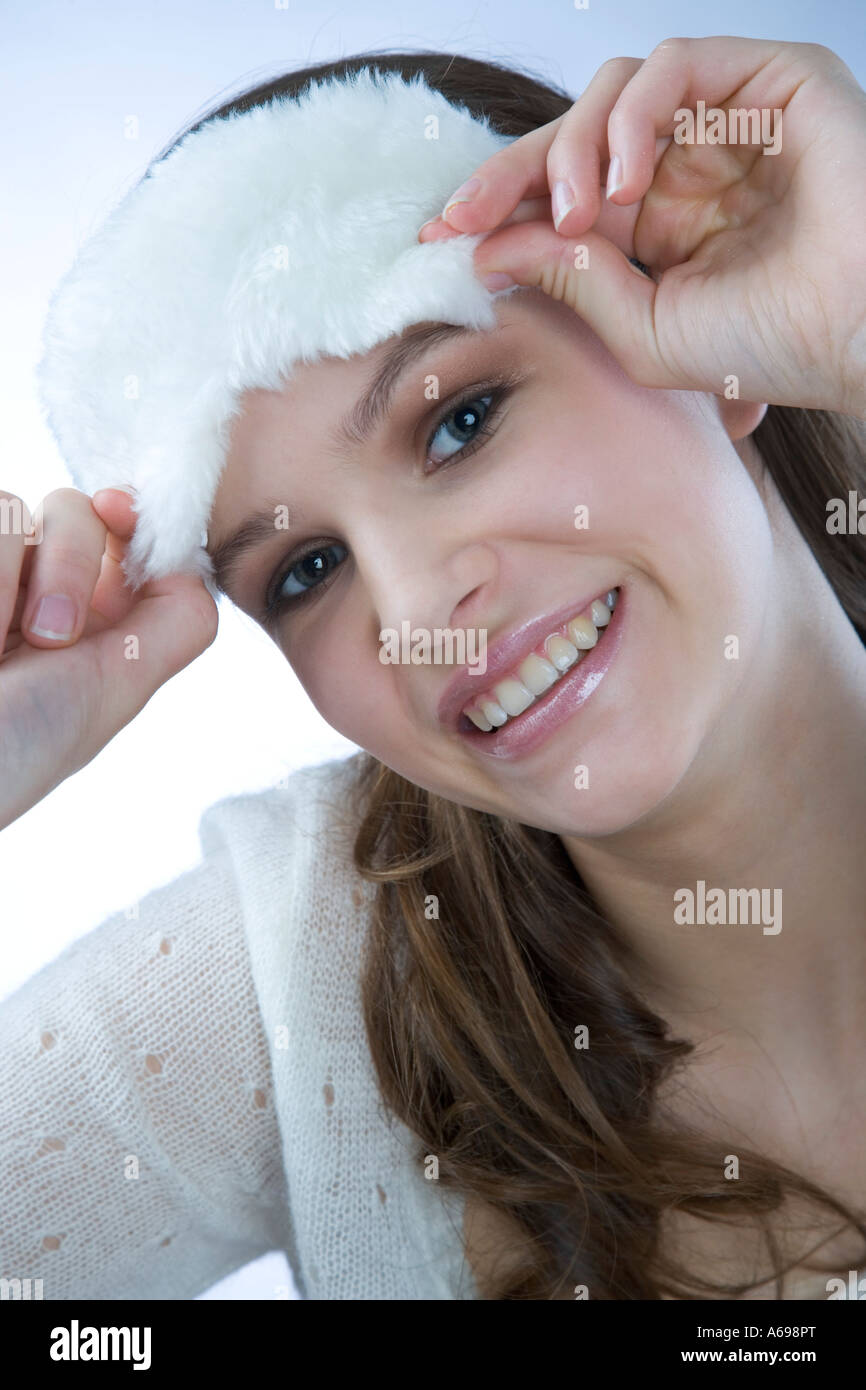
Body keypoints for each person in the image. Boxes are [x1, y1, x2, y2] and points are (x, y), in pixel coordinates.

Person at [1, 38, 865, 1301]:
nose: (415, 615)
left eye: (459, 419)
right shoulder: (296, 981)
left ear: (705, 332)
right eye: (304, 570)